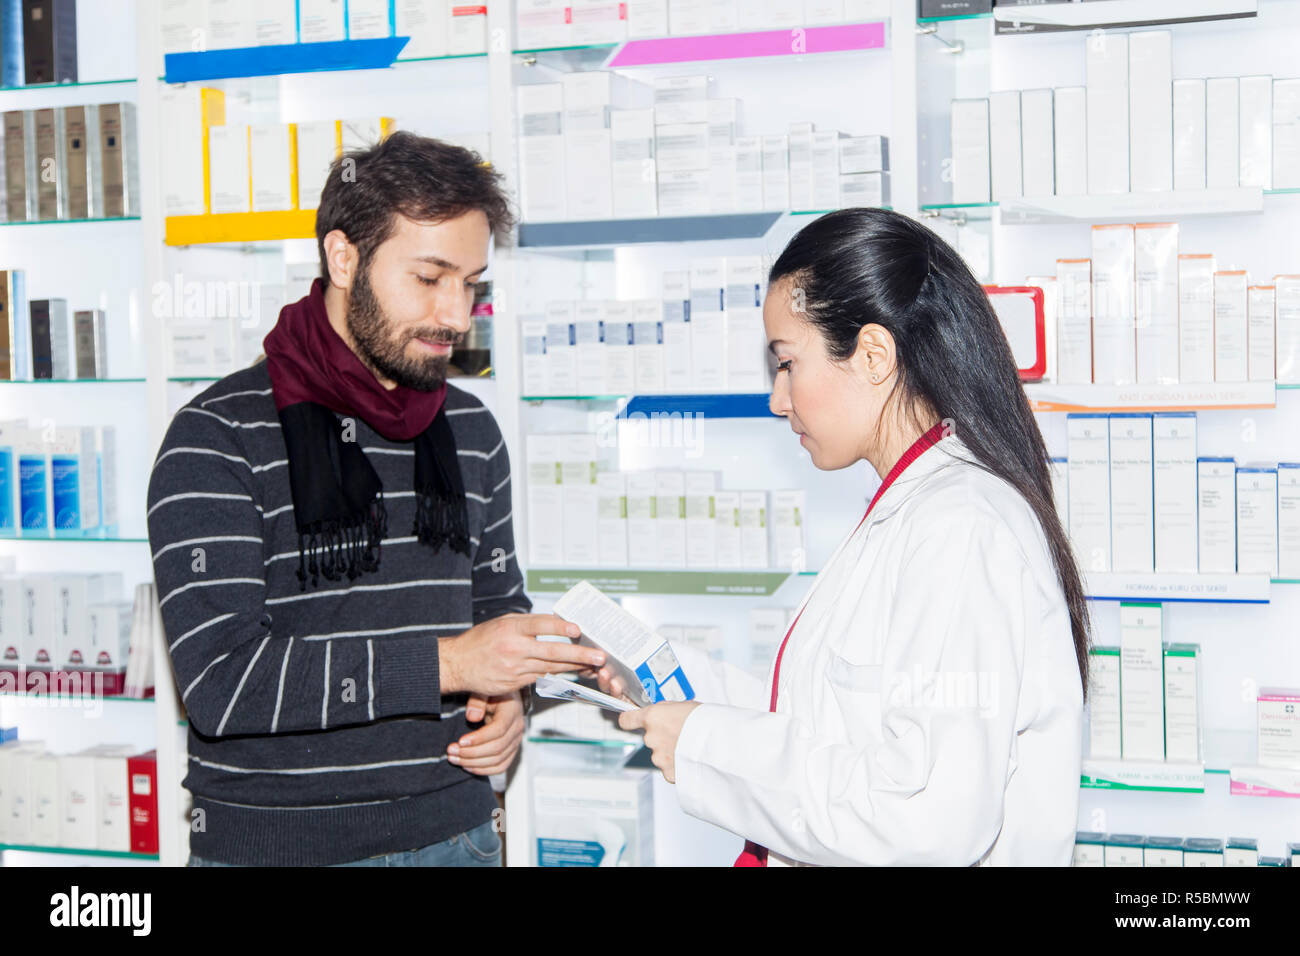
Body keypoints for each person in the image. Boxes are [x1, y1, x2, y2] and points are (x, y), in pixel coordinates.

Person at [147, 132, 604, 867]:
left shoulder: (471, 430)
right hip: (277, 852)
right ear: (343, 258)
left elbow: (494, 606)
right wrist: (453, 666)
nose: (456, 315)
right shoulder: (215, 437)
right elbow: (221, 686)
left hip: (456, 838)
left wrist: (510, 700)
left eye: (472, 284)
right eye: (429, 278)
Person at [601, 208, 1089, 866]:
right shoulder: (916, 509)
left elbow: (926, 818)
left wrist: (705, 745)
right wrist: (666, 679)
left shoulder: (961, 529)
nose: (778, 398)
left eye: (787, 362)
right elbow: (835, 725)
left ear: (874, 355)